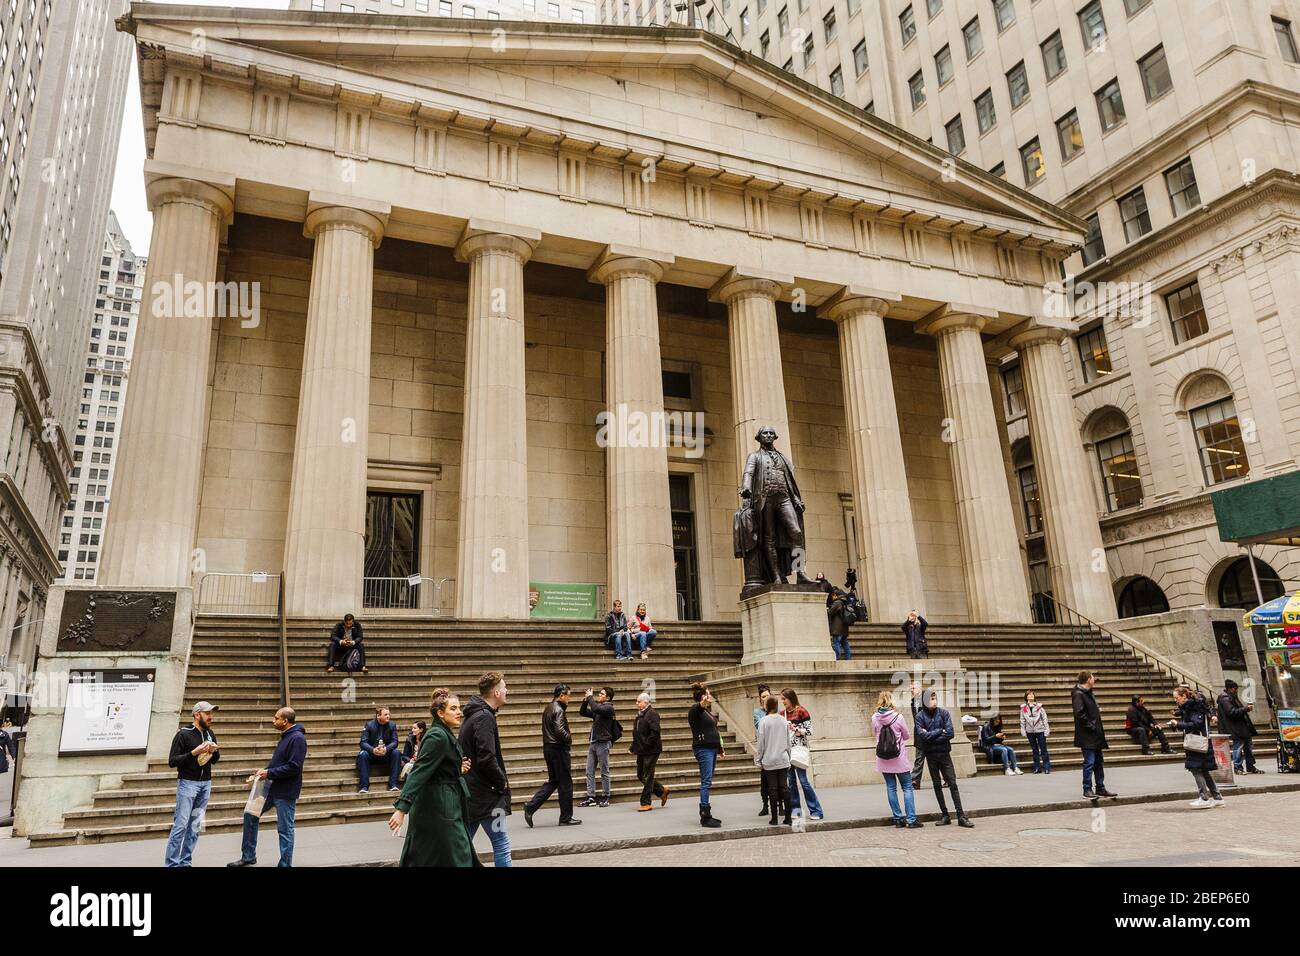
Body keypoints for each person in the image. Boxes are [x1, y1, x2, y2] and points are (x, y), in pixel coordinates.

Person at [388, 688, 482, 866]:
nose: (459, 712)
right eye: (453, 708)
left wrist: (457, 769)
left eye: (459, 708)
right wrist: (401, 809)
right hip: (439, 810)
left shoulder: (443, 733)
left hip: (444, 806)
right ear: (440, 713)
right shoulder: (437, 736)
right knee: (457, 858)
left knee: (439, 858)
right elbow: (419, 772)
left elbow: (436, 768)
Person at [228, 707, 307, 867]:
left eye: (276, 718)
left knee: (285, 829)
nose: (273, 720)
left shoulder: (297, 738)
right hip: (270, 788)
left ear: (285, 721)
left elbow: (294, 767)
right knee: (250, 815)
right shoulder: (286, 736)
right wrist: (265, 770)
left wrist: (269, 772)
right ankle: (248, 856)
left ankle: (285, 864)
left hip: (285, 791)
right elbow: (280, 762)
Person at [459, 672, 512, 867]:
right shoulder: (484, 718)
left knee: (463, 845)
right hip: (488, 796)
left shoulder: (475, 715)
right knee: (501, 844)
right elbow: (487, 757)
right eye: (504, 687)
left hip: (475, 794)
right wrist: (501, 781)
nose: (507, 691)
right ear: (496, 692)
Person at [165, 701, 220, 867]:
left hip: (205, 785)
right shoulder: (183, 734)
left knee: (195, 826)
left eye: (212, 713)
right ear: (197, 715)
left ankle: (185, 862)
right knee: (181, 825)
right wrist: (193, 753)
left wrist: (214, 751)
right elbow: (172, 761)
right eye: (208, 713)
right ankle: (172, 864)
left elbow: (215, 761)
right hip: (187, 784)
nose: (211, 717)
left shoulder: (211, 734)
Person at [523, 684, 581, 827]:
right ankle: (566, 817)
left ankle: (531, 806)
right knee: (565, 783)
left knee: (554, 781)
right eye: (568, 695)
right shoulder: (558, 709)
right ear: (561, 695)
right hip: (558, 749)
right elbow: (560, 731)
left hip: (549, 748)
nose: (569, 698)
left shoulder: (549, 708)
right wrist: (569, 738)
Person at [914, 689, 973, 827]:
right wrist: (940, 731)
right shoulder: (920, 717)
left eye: (935, 698)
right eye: (931, 699)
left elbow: (950, 733)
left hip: (944, 754)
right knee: (937, 785)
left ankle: (961, 815)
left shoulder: (944, 713)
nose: (934, 701)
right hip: (931, 755)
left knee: (953, 784)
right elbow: (923, 737)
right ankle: (945, 814)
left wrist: (931, 734)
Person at [1168, 685, 1224, 808]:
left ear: (1184, 696)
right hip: (1199, 741)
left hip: (1197, 742)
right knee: (1203, 770)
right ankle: (1217, 797)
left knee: (1196, 769)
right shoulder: (1190, 706)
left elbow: (1196, 724)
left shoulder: (1193, 707)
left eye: (1177, 698)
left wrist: (1178, 724)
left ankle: (1204, 798)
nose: (1175, 700)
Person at [873, 691, 921, 828]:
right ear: (891, 701)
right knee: (907, 787)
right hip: (898, 757)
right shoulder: (898, 717)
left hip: (883, 757)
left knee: (891, 787)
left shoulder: (874, 718)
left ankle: (898, 818)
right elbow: (906, 736)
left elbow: (875, 733)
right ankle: (911, 820)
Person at [1073, 671, 1117, 800]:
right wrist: (1091, 726)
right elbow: (1079, 713)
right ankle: (1087, 789)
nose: (1094, 680)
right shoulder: (1078, 694)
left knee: (1098, 762)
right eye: (1093, 678)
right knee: (1090, 762)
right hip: (1087, 735)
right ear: (1088, 680)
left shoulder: (1088, 693)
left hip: (1095, 734)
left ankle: (1100, 788)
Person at [781, 688, 825, 820]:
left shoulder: (801, 710)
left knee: (804, 781)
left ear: (791, 698)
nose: (783, 701)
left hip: (799, 749)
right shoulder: (782, 714)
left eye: (784, 698)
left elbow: (810, 730)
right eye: (782, 699)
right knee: (791, 783)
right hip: (787, 752)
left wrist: (797, 729)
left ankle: (816, 810)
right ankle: (796, 810)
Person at [688, 682, 725, 828]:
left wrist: (720, 748)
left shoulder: (707, 712)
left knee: (708, 781)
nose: (710, 697)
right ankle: (705, 815)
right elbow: (699, 707)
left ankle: (707, 814)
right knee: (706, 782)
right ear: (703, 697)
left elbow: (714, 731)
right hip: (703, 749)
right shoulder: (695, 710)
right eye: (708, 694)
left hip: (711, 748)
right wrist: (703, 702)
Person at [754, 695, 791, 826]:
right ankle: (788, 817)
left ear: (767, 707)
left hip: (769, 760)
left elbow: (761, 744)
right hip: (783, 758)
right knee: (784, 788)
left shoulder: (763, 722)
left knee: (773, 789)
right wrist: (789, 757)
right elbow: (788, 742)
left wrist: (758, 760)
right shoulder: (784, 721)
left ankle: (774, 818)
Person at [631, 692, 669, 811]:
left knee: (647, 775)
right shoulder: (641, 715)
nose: (637, 704)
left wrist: (645, 745)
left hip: (651, 750)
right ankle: (661, 790)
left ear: (646, 702)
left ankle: (646, 802)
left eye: (639, 702)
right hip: (642, 749)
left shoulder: (652, 714)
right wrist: (634, 747)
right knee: (640, 774)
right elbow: (637, 733)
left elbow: (655, 733)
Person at [579, 686, 617, 808]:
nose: (599, 695)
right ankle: (591, 797)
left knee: (604, 771)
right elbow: (583, 712)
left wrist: (590, 697)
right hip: (594, 742)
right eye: (599, 694)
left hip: (603, 743)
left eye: (601, 694)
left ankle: (606, 796)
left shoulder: (608, 708)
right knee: (589, 771)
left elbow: (595, 707)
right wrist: (586, 700)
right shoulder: (599, 709)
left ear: (608, 697)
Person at [1217, 679, 1262, 774]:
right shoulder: (1226, 699)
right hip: (1235, 728)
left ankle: (1250, 766)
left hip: (1241, 727)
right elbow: (1231, 712)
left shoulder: (1231, 697)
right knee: (1238, 748)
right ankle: (1238, 767)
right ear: (1229, 689)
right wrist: (1246, 709)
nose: (1236, 690)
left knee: (1248, 747)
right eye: (1234, 688)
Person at [357, 706, 402, 793]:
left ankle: (393, 785)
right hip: (372, 755)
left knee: (396, 752)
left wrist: (386, 749)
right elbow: (363, 742)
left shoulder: (392, 725)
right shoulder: (369, 725)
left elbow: (395, 742)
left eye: (389, 714)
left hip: (385, 755)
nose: (388, 716)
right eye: (385, 715)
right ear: (378, 716)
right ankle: (364, 786)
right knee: (363, 754)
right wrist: (373, 750)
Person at [752, 684, 773, 816]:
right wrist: (768, 711)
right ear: (760, 699)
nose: (765, 698)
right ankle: (765, 805)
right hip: (764, 749)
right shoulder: (757, 712)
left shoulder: (777, 710)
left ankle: (780, 805)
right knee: (764, 781)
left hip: (776, 748)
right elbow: (760, 727)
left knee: (780, 782)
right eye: (763, 697)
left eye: (767, 696)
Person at [1019, 691, 1051, 774]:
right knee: (1035, 750)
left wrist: (1046, 729)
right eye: (1029, 694)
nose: (1031, 695)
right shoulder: (1024, 708)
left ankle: (1046, 767)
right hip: (1030, 731)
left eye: (1032, 694)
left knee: (1043, 749)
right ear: (1026, 697)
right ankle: (1037, 768)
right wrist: (1023, 730)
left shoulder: (1039, 707)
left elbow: (1044, 718)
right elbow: (1022, 720)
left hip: (1040, 730)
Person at [827, 589, 854, 661]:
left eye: (833, 595)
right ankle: (849, 657)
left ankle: (837, 657)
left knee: (836, 642)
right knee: (845, 643)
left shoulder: (837, 602)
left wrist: (827, 609)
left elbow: (830, 612)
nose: (832, 597)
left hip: (837, 627)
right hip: (844, 627)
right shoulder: (843, 602)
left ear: (836, 595)